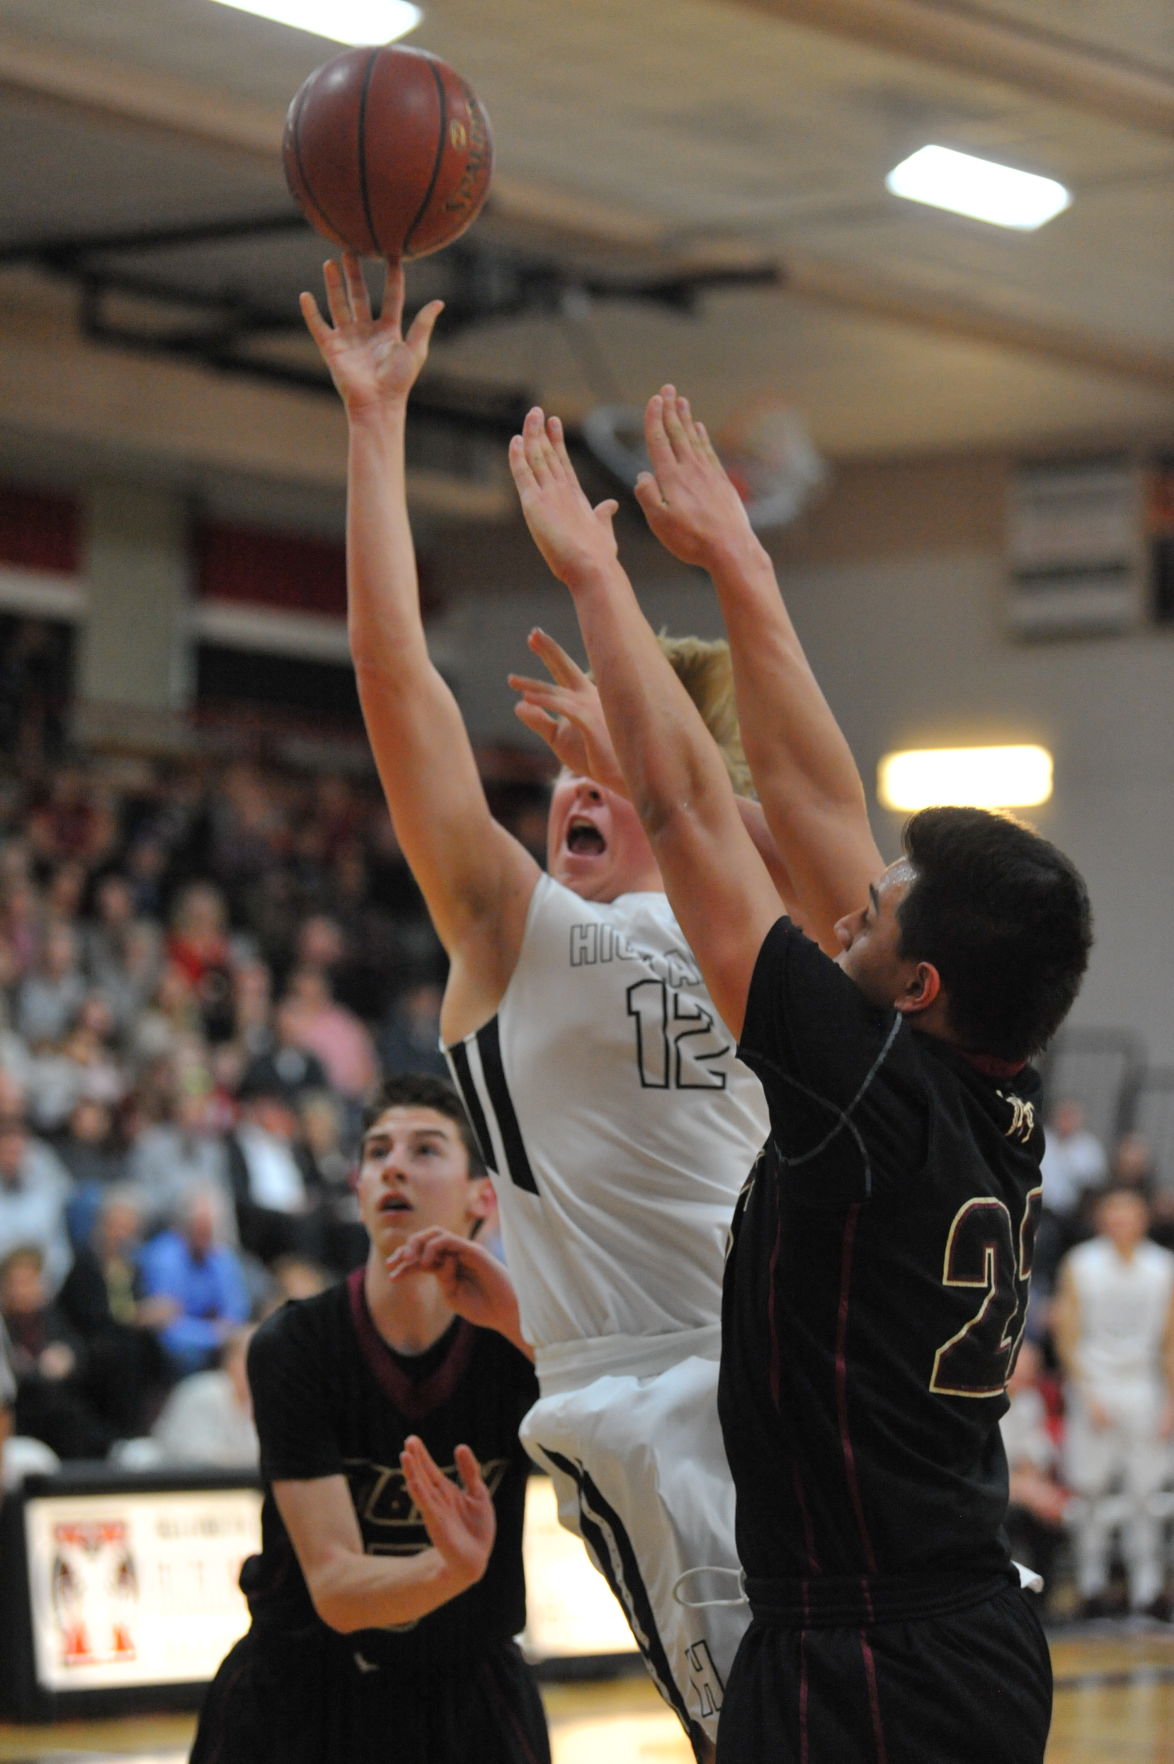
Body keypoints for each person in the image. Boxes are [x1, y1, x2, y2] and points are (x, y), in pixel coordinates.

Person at [507, 386, 1093, 1762]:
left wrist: (599, 578)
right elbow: (817, 812)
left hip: (869, 1655)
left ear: (917, 984)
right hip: (945, 1631)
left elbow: (697, 814)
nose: (844, 906)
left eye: (875, 913)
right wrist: (739, 566)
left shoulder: (872, 1096)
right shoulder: (977, 1090)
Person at [301, 252, 777, 1757]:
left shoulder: (773, 942)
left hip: (815, 1381)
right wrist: (374, 428)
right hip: (650, 1403)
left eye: (616, 760)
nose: (576, 780)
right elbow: (396, 688)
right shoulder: (525, 929)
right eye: (564, 770)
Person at [188, 1073, 549, 1764]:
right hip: (302, 1695)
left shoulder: (520, 1343)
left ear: (484, 1198)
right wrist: (450, 1567)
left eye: (425, 1149)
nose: (393, 1166)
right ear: (358, 1192)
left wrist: (522, 1326)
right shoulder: (295, 1346)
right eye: (378, 1151)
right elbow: (337, 1590)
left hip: (469, 1690)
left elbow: (619, 1418)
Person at [1052, 1184, 1174, 1621]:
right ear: (1103, 1217)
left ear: (1143, 1217)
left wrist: (1170, 1402)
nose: (1121, 1220)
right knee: (1090, 1489)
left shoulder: (1163, 1267)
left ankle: (1147, 1588)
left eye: (1130, 1212)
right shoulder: (1082, 1263)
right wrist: (1085, 1392)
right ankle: (1092, 1585)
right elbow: (1067, 1336)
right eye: (1114, 1212)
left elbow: (1169, 1342)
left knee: (1145, 1492)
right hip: (1095, 1382)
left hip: (1144, 1385)